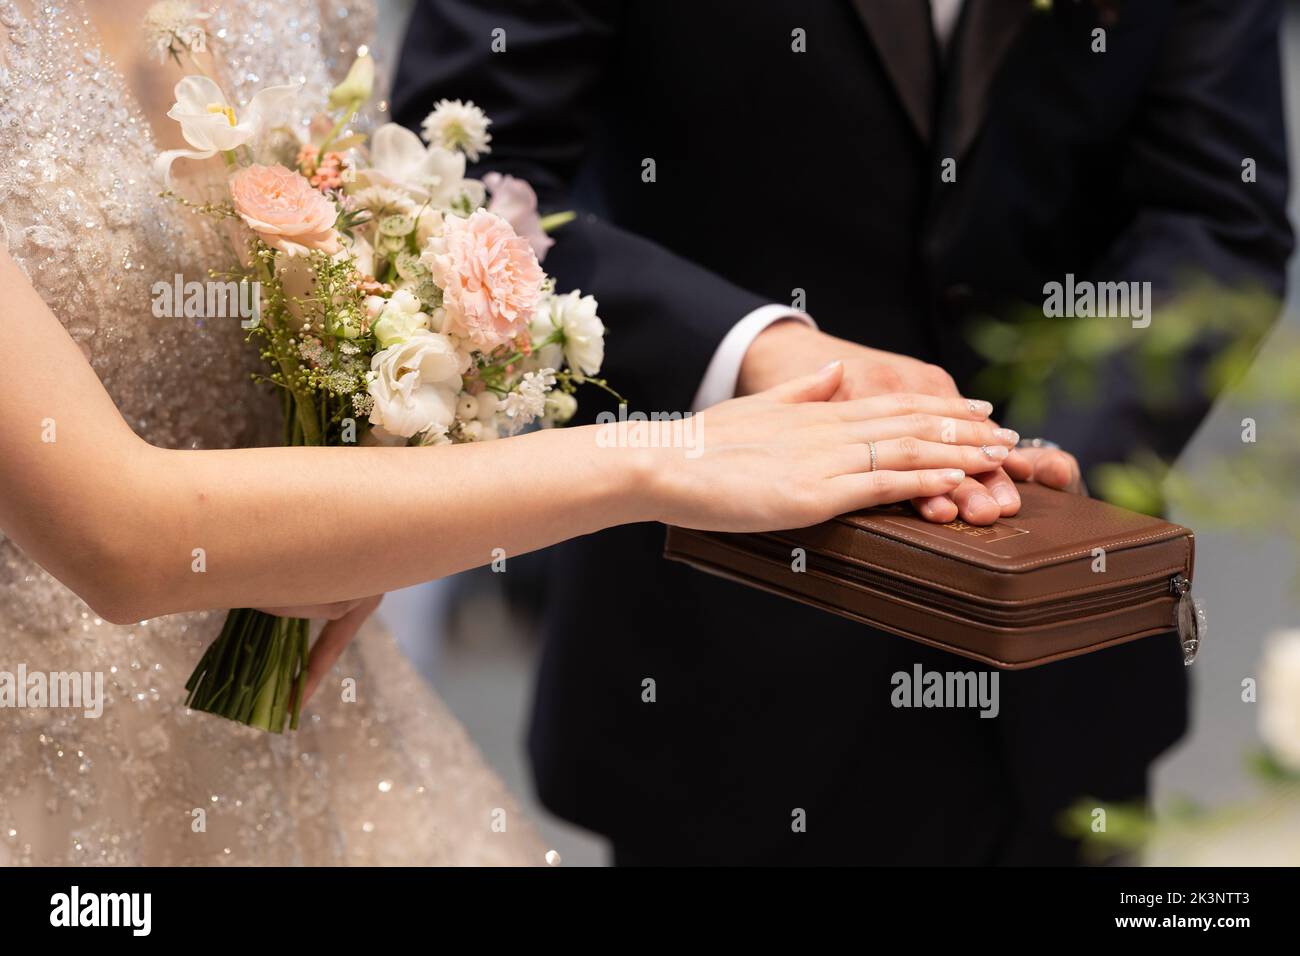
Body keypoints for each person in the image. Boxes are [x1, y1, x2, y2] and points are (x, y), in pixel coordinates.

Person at [0, 0, 1004, 865]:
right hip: (51, 731)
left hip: (319, 702)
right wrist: (667, 454)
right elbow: (118, 537)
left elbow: (364, 281)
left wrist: (379, 457)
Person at [392, 0, 1292, 864]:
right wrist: (763, 351)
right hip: (724, 660)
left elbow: (1214, 211)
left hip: (1062, 672)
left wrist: (1021, 469)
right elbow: (464, 180)